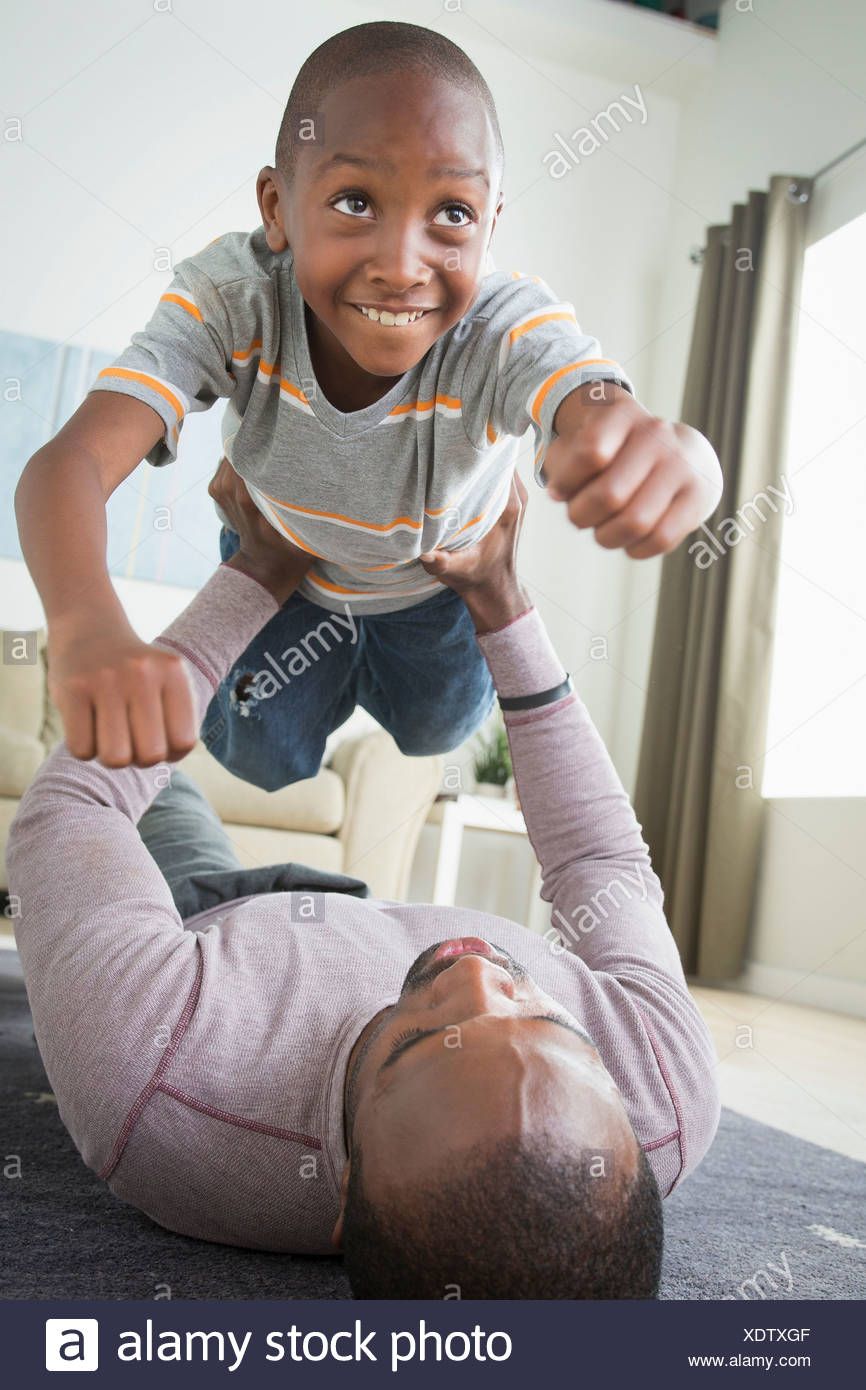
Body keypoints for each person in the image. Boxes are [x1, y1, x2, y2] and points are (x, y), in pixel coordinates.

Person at [7, 460, 720, 1300]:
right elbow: (602, 862)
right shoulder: (664, 1090)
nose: (478, 974)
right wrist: (501, 599)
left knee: (151, 797)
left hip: (205, 920)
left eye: (420, 1045)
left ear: (345, 1192)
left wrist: (260, 570)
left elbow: (74, 807)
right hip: (343, 910)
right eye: (550, 1026)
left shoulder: (158, 1066)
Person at [13, 20, 723, 791]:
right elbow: (72, 461)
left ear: (490, 226)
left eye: (452, 213)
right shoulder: (234, 300)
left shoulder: (502, 325)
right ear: (277, 208)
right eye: (355, 201)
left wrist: (676, 453)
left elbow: (599, 404)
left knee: (435, 734)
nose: (401, 265)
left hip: (437, 590)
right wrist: (85, 626)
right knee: (260, 759)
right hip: (289, 579)